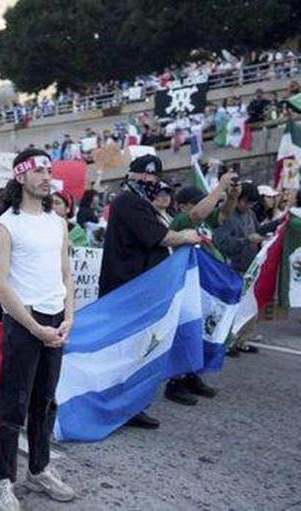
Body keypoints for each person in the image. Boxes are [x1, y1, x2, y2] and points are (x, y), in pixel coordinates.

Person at [0, 149, 76, 510]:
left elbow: (66, 273)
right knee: (12, 405)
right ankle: (1, 481)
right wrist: (35, 327)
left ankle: (39, 469)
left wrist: (69, 316)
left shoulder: (58, 221)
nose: (46, 176)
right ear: (21, 176)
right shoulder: (6, 224)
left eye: (49, 170)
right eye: (39, 170)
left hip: (56, 321)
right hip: (24, 324)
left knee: (45, 401)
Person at [98, 155, 200, 429]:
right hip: (127, 290)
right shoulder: (130, 202)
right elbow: (161, 237)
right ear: (133, 176)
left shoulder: (137, 201)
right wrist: (186, 238)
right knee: (128, 353)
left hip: (135, 289)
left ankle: (128, 406)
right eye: (146, 176)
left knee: (135, 351)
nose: (151, 182)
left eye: (154, 178)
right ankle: (121, 408)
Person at [163, 171, 240, 405]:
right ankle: (174, 382)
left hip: (207, 287)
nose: (201, 206)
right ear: (184, 206)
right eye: (195, 202)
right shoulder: (181, 221)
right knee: (185, 331)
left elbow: (225, 214)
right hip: (189, 286)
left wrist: (232, 196)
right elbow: (198, 213)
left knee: (203, 330)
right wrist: (219, 187)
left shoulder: (206, 221)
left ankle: (192, 375)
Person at [214, 182, 263, 355]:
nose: (249, 206)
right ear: (238, 199)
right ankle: (228, 343)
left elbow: (258, 230)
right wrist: (246, 240)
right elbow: (222, 243)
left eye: (252, 203)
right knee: (232, 309)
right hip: (231, 268)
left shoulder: (250, 214)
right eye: (246, 202)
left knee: (249, 307)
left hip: (250, 267)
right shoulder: (226, 214)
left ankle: (242, 340)